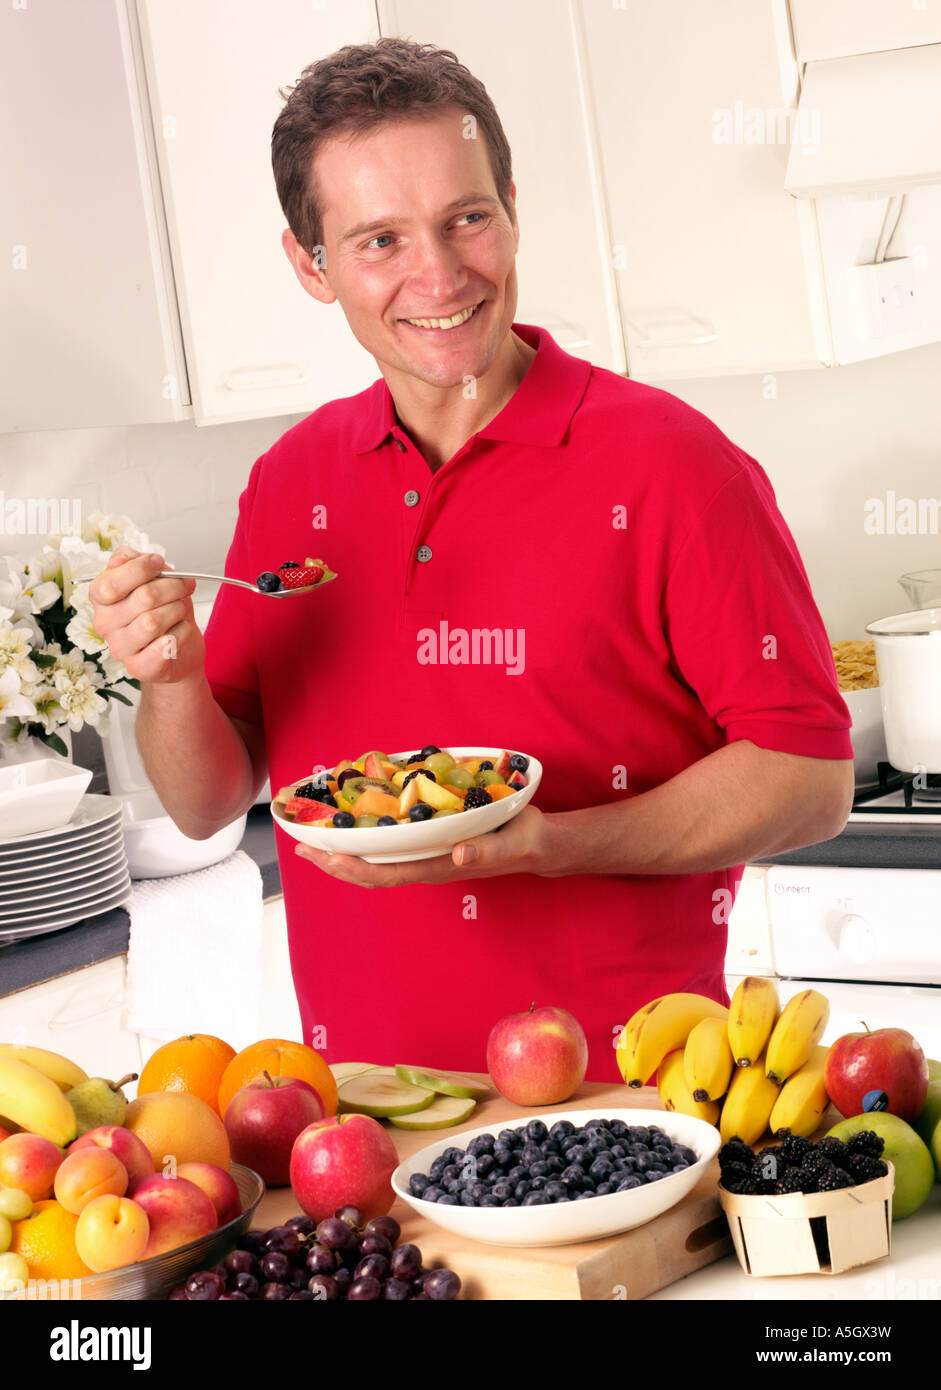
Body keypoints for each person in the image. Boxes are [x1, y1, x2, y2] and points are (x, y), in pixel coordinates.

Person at [89, 38, 854, 1081]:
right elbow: (208, 801)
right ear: (309, 266)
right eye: (379, 242)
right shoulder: (290, 481)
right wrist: (170, 677)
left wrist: (553, 842)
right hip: (365, 1114)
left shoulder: (674, 467)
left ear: (510, 210)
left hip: (626, 1102)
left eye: (465, 219)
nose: (439, 277)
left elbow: (807, 777)